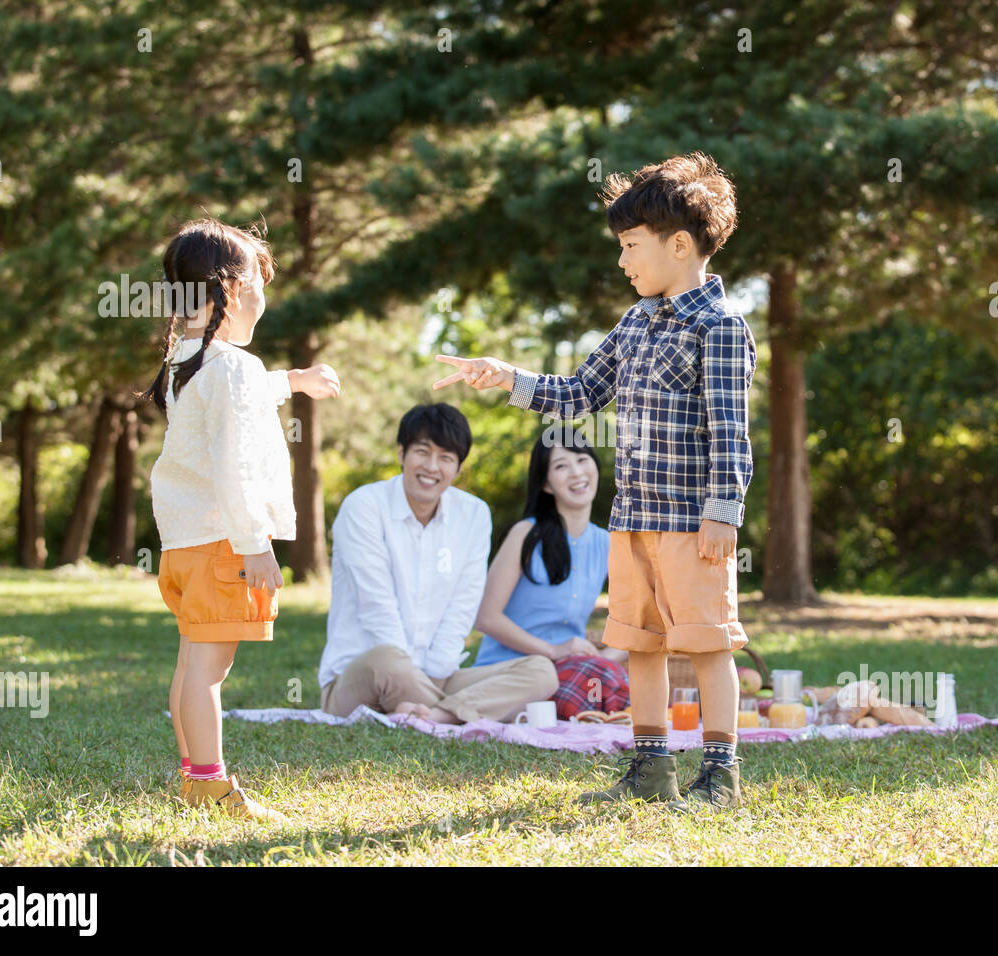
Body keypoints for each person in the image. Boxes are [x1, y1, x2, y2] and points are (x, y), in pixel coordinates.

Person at [433, 152, 756, 809]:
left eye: (631, 247)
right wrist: (509, 378)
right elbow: (580, 391)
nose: (622, 261)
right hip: (634, 519)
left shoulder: (720, 329)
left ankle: (720, 774)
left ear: (681, 244)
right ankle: (651, 768)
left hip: (694, 522)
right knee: (639, 644)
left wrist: (725, 509)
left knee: (706, 645)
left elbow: (731, 429)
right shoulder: (635, 322)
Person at [144, 217, 341, 823]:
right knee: (210, 670)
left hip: (185, 545)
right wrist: (255, 545)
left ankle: (194, 776)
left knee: (191, 663)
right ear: (220, 293)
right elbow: (232, 463)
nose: (264, 293)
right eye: (256, 280)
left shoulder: (190, 360)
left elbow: (242, 396)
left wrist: (294, 381)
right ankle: (211, 785)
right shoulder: (227, 367)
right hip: (221, 541)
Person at [318, 404, 558, 723]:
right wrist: (415, 675)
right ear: (402, 453)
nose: (432, 467)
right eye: (422, 451)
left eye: (446, 458)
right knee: (389, 661)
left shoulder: (473, 514)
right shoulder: (364, 507)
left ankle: (432, 716)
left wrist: (433, 675)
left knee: (542, 671)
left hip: (438, 675)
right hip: (364, 675)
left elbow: (464, 604)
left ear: (458, 469)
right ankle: (453, 711)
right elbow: (376, 606)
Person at [473, 431, 629, 713]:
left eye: (582, 459)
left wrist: (605, 659)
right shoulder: (526, 535)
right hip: (512, 672)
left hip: (570, 674)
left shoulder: (606, 543)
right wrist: (553, 651)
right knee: (546, 678)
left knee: (611, 686)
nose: (576, 472)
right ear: (546, 484)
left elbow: (640, 621)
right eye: (561, 466)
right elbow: (486, 618)